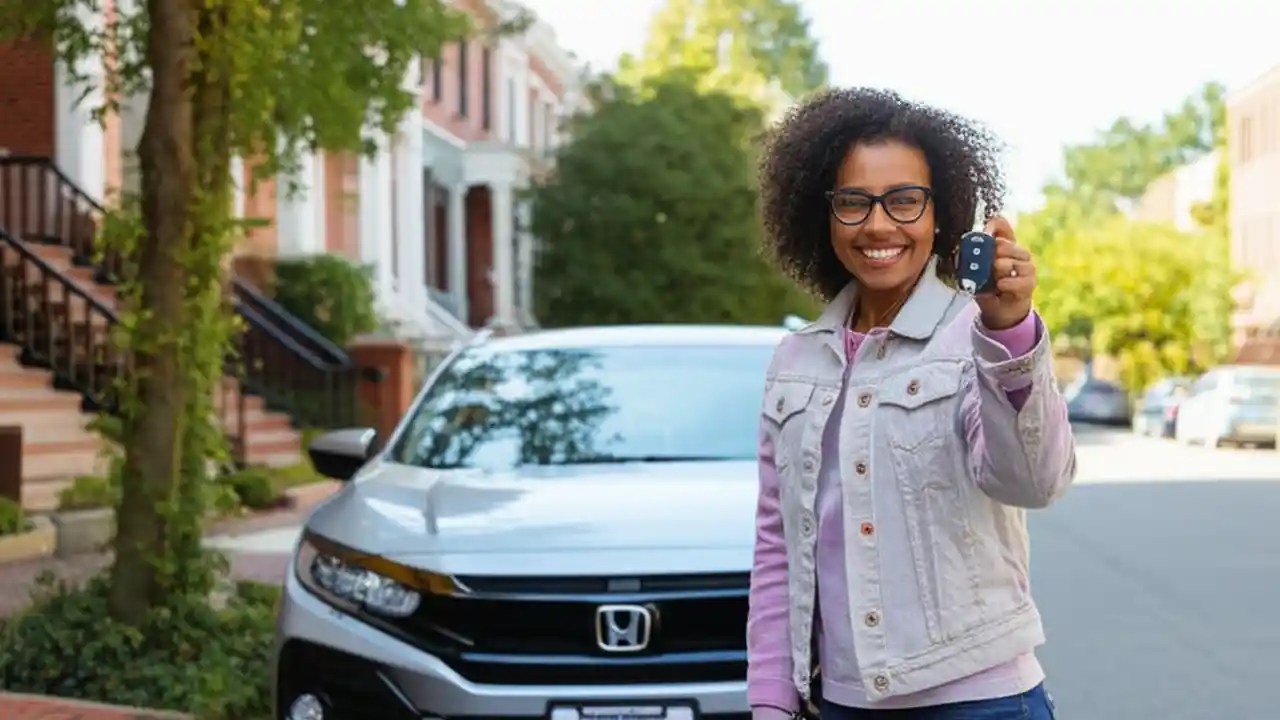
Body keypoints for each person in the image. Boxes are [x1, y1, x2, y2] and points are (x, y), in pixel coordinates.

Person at [747, 87, 1076, 720]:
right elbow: (777, 548)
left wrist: (1009, 335)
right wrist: (771, 700)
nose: (877, 225)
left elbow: (1033, 481)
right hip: (837, 702)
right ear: (822, 215)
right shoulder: (795, 361)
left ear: (939, 214)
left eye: (904, 201)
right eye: (853, 202)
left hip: (981, 701)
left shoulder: (974, 335)